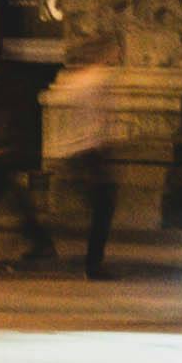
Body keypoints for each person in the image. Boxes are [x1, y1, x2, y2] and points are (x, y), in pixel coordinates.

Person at [41, 24, 122, 278]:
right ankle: (93, 264)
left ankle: (85, 258)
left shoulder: (77, 81)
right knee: (103, 209)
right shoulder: (100, 79)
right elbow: (100, 121)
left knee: (93, 208)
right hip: (93, 152)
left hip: (77, 151)